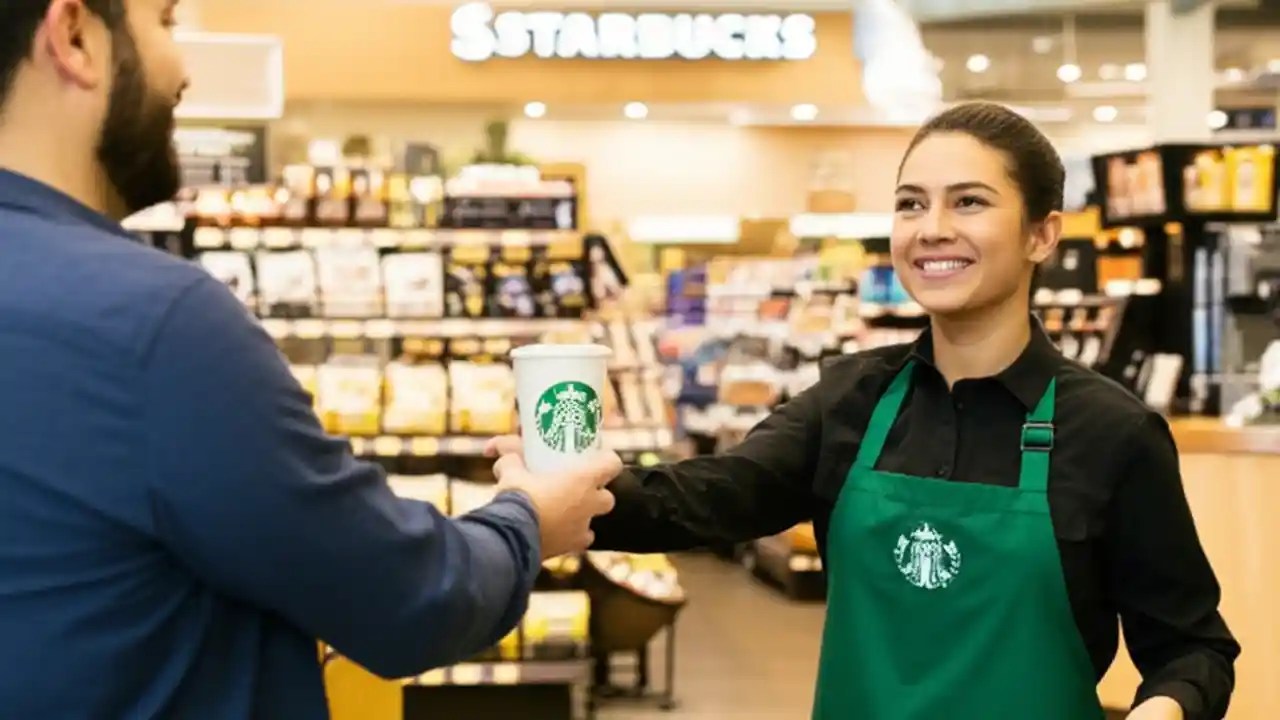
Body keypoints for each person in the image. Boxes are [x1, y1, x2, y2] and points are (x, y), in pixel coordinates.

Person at [489, 102, 1239, 720]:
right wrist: (558, 491)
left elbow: (1192, 650)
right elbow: (705, 499)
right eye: (911, 204)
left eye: (969, 202)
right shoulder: (850, 400)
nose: (931, 228)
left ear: (1042, 233)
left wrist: (1162, 710)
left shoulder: (1111, 433)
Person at [0, 2, 616, 718]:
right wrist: (530, 521)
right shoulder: (152, 323)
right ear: (73, 35)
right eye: (166, 22)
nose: (185, 67)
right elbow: (401, 598)